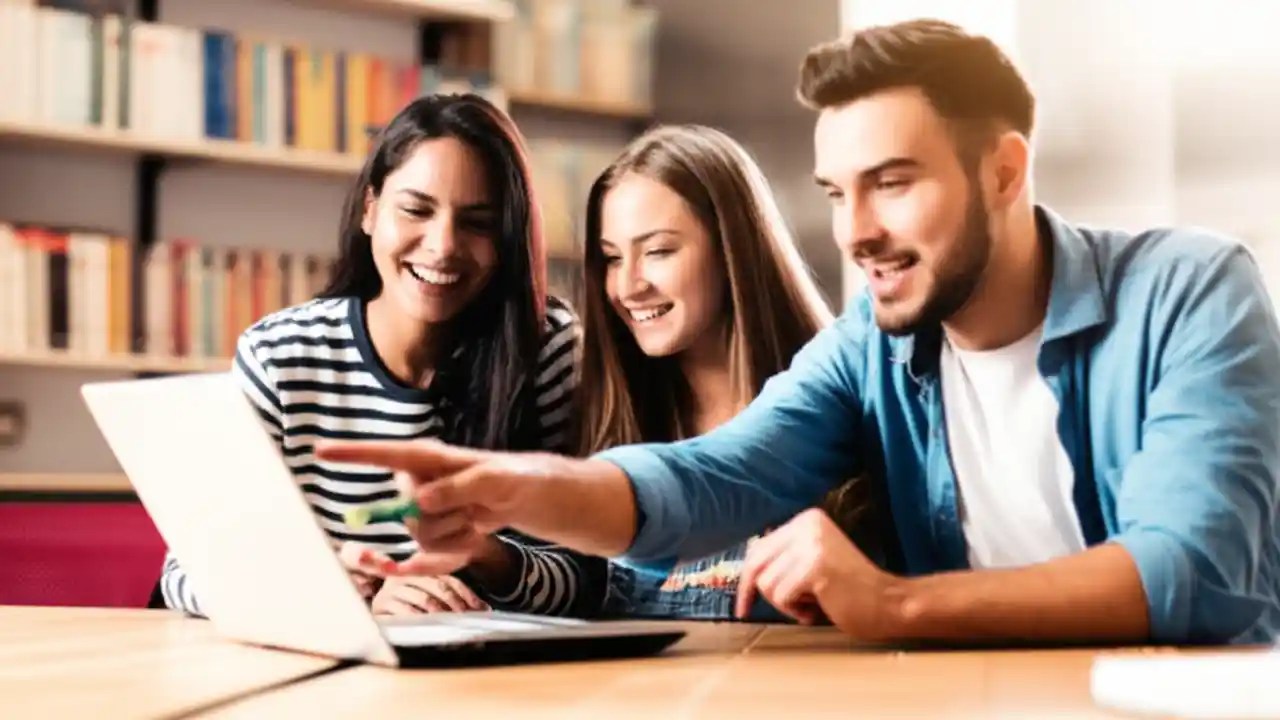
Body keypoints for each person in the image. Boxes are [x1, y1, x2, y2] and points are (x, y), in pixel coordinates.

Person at [317, 21, 1280, 645]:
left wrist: (895, 605)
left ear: (1002, 170)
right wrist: (515, 487)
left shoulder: (1191, 290)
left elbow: (1192, 570)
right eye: (836, 193)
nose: (856, 231)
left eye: (892, 183)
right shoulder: (876, 343)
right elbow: (715, 476)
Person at [158, 93, 605, 618]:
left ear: (506, 239)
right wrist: (332, 585)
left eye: (477, 223)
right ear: (370, 210)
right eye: (416, 210)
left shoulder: (547, 346)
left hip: (491, 682)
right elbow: (184, 575)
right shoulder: (279, 356)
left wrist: (481, 556)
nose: (442, 246)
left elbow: (589, 576)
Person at [572, 124, 869, 619]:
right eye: (610, 259)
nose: (628, 286)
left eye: (659, 251)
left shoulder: (842, 407)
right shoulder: (603, 418)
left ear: (732, 247)